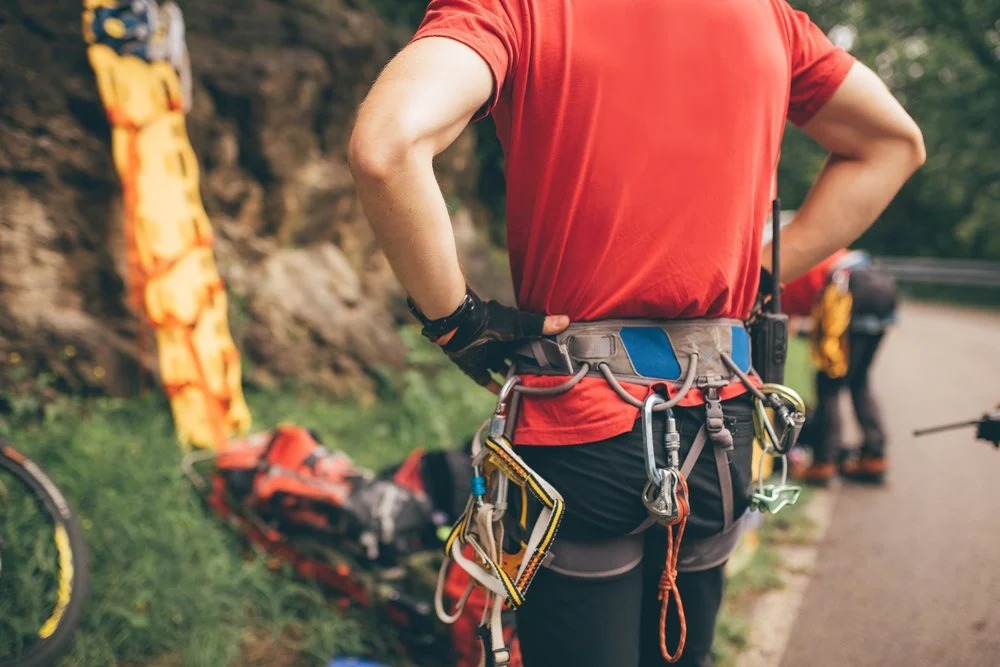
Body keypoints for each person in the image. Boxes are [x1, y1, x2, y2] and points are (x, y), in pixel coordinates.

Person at [347, 1, 925, 665]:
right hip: (721, 427)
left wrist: (459, 324)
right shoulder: (768, 19)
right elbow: (895, 144)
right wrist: (759, 270)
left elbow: (386, 146)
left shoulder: (516, 9)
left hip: (583, 428)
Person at [783, 249, 899, 485]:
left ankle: (824, 462)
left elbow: (786, 327)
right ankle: (874, 455)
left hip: (847, 288)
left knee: (828, 382)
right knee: (859, 379)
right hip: (880, 282)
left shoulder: (777, 279)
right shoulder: (796, 252)